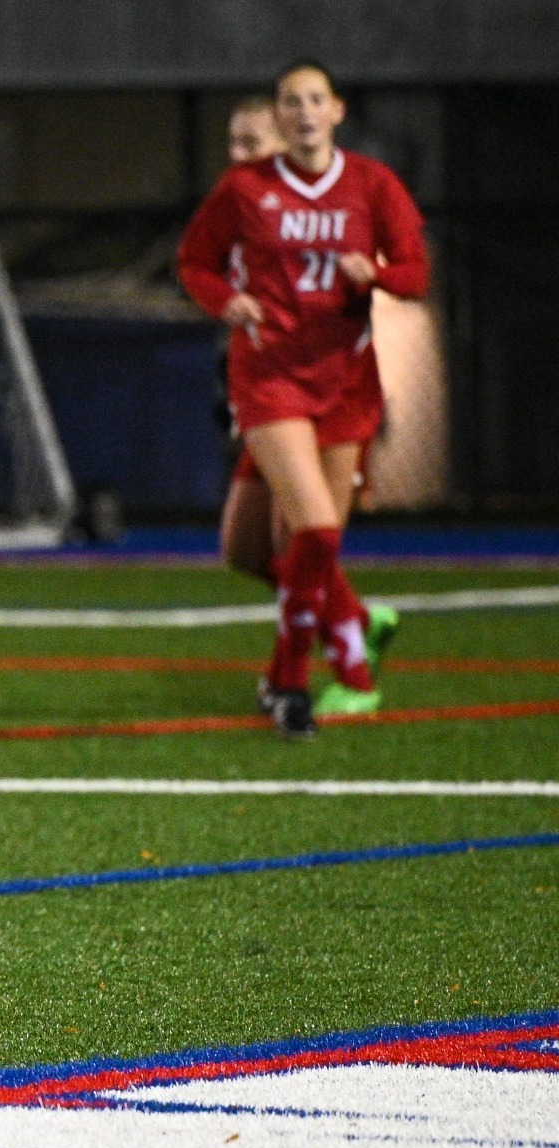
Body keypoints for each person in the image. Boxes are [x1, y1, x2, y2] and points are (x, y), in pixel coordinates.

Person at [178, 62, 428, 737]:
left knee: (300, 537)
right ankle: (347, 622)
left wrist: (373, 274)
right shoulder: (245, 191)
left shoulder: (370, 184)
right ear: (283, 117)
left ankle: (326, 675)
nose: (305, 113)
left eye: (316, 100)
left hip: (344, 384)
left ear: (336, 110)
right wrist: (225, 300)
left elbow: (413, 271)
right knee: (266, 544)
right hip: (270, 380)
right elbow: (195, 262)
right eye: (294, 102)